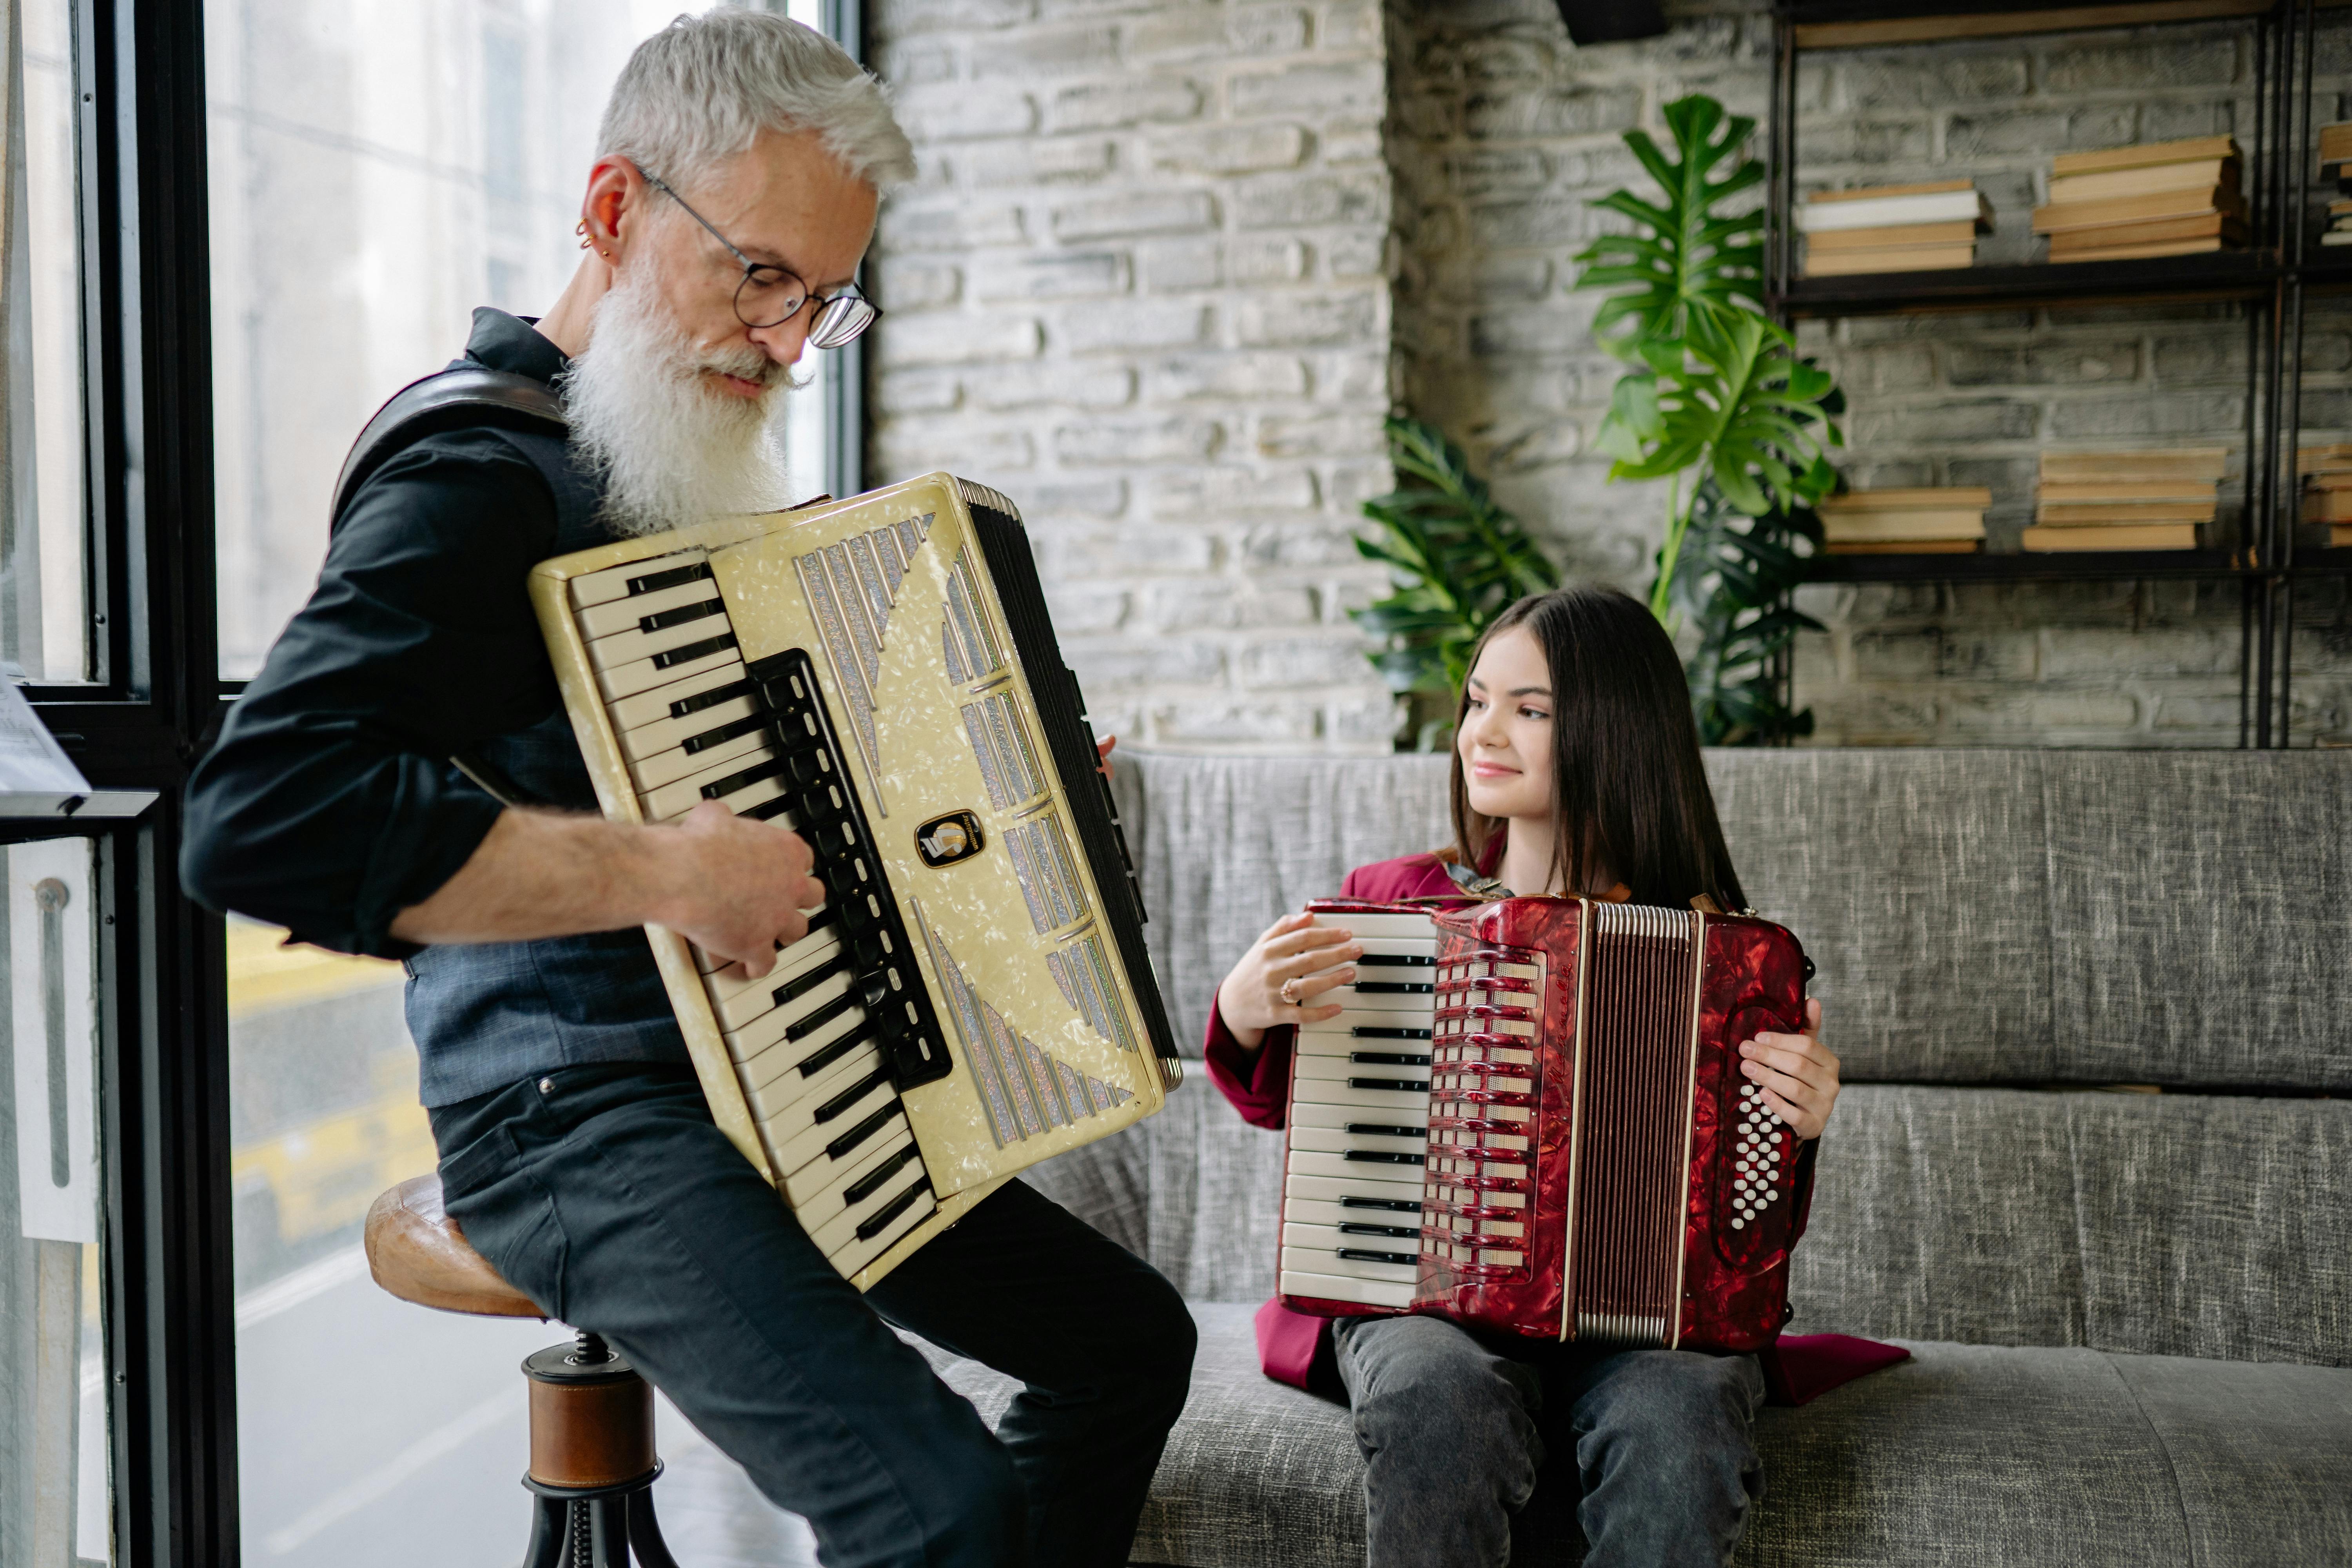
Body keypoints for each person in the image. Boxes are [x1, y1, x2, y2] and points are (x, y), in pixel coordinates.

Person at [180, 13, 1192, 1567]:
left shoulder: (653, 466)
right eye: (759, 275)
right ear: (610, 211)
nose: (790, 339)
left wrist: (994, 806)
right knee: (947, 1512)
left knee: (1128, 1341)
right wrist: (669, 873)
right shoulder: (476, 475)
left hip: (780, 1074)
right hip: (575, 1111)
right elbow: (266, 813)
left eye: (824, 299)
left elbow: (741, 781)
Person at [1204, 585, 1853, 1568]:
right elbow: (1282, 1098)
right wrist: (1247, 1008)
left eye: (1530, 708)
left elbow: (1743, 1234)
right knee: (1436, 1400)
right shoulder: (1398, 906)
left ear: (1614, 730)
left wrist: (1797, 1123)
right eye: (1475, 700)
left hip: (1646, 1327)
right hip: (1420, 1299)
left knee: (1681, 1424)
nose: (1482, 731)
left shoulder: (1721, 959)